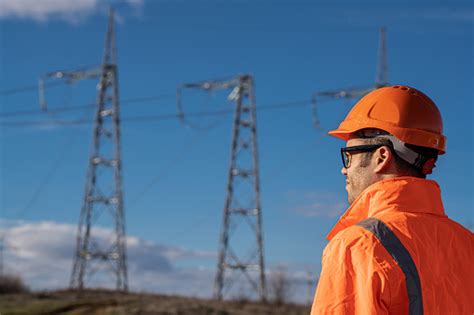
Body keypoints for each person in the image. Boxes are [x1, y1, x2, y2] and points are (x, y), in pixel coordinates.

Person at [310, 85, 474, 314]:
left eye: (349, 157)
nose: (344, 170)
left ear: (382, 157)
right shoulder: (468, 244)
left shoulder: (360, 245)